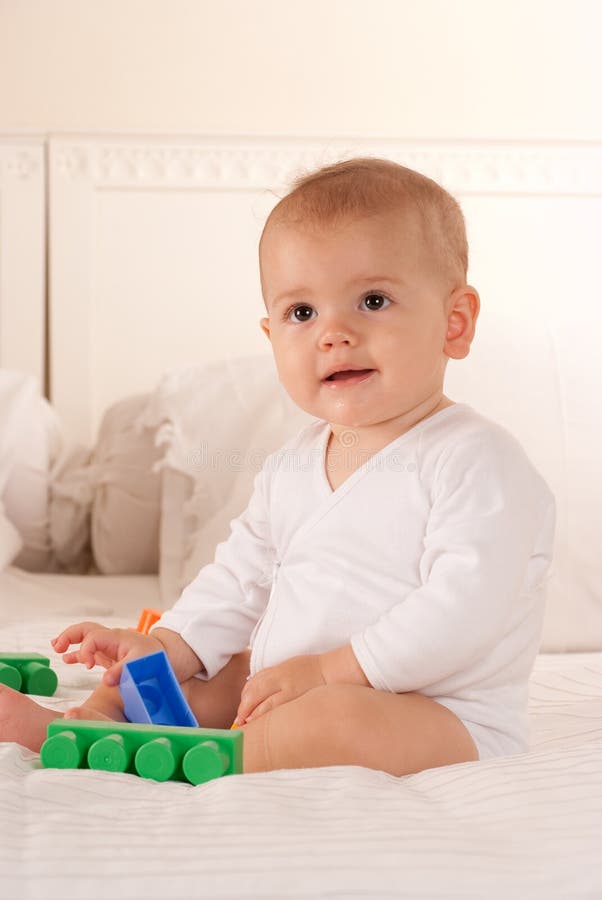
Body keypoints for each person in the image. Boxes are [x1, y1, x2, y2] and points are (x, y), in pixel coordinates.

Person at [0, 158, 555, 776]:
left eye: (373, 300)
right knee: (209, 670)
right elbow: (239, 579)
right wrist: (166, 646)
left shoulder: (478, 460)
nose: (334, 333)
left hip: (439, 716)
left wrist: (327, 673)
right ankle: (91, 725)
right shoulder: (291, 465)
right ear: (271, 337)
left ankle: (222, 759)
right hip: (289, 685)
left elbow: (462, 611)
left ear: (455, 322)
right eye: (301, 314)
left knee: (337, 722)